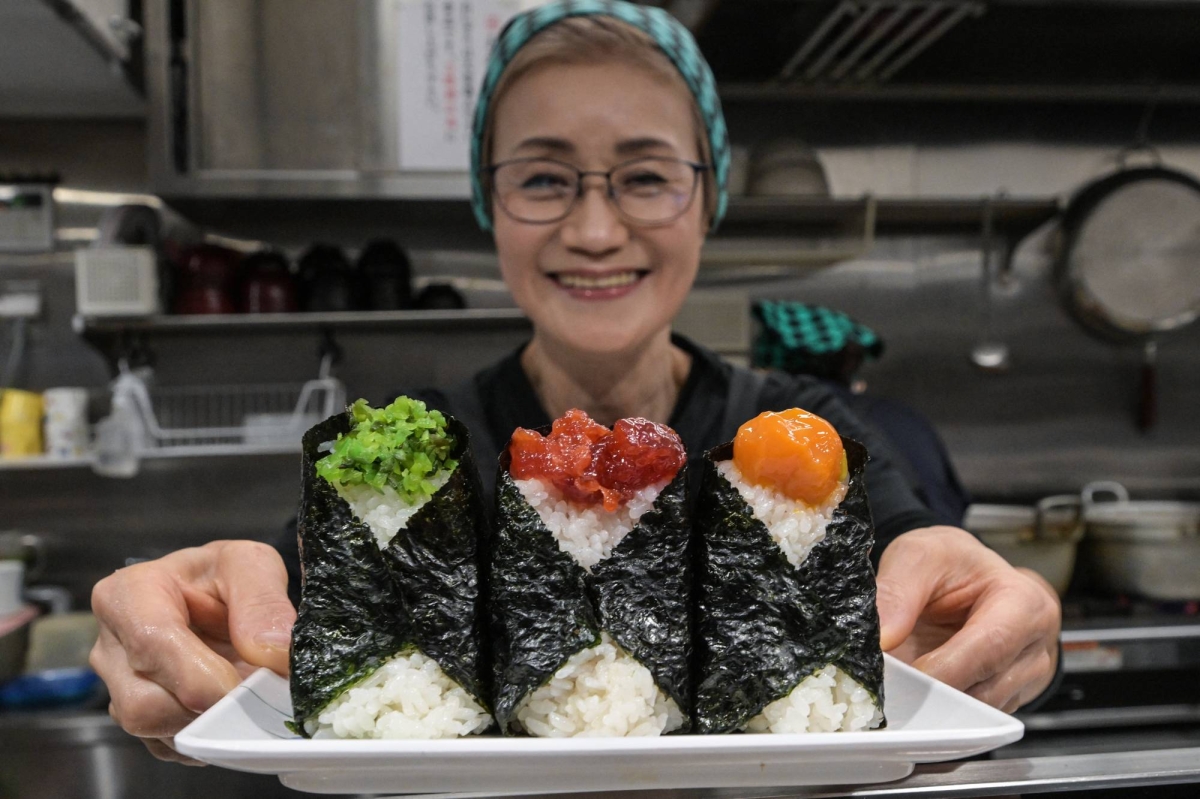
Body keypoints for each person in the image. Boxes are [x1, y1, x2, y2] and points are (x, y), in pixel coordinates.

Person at [90, 1, 1061, 765]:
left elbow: (930, 577)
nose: (596, 231)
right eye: (544, 179)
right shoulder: (412, 453)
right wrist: (189, 631)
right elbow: (271, 626)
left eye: (645, 177)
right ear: (490, 204)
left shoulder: (799, 437)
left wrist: (997, 614)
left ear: (707, 201)